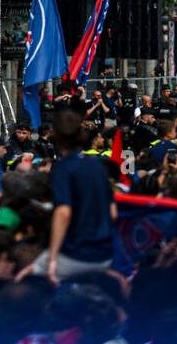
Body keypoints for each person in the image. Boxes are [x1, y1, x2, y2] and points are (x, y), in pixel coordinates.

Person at [33, 109, 115, 284]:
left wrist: (53, 258)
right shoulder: (98, 166)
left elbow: (64, 213)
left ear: (56, 136)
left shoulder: (62, 169)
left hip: (77, 254)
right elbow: (113, 212)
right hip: (106, 254)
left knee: (26, 276)